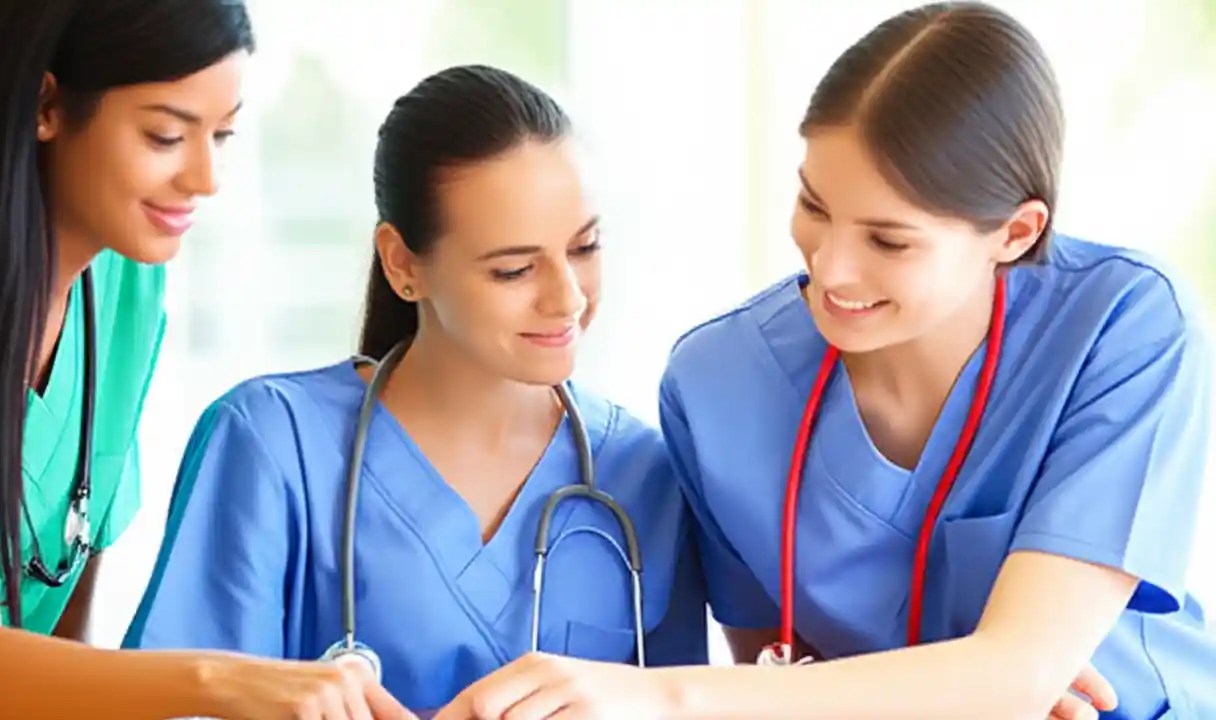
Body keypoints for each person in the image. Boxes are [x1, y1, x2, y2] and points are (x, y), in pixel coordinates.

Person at [431, 3, 1214, 719]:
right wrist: (964, 689)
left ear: (1014, 233)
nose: (830, 270)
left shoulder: (1122, 324)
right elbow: (781, 686)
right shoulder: (718, 383)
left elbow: (1015, 674)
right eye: (813, 205)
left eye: (888, 239)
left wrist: (657, 697)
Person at [122, 64, 710, 716]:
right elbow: (173, 702)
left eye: (585, 247)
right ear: (403, 264)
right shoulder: (273, 442)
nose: (567, 297)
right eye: (514, 269)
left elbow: (678, 700)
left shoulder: (644, 478)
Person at [0, 2, 402, 717]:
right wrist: (221, 682)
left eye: (222, 134)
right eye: (166, 135)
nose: (205, 178)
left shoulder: (123, 284)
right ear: (46, 104)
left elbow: (64, 625)